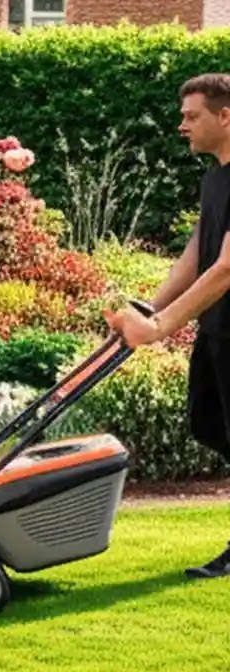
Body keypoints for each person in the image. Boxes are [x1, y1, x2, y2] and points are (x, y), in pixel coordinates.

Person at [106, 72, 230, 579]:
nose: (182, 125)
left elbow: (226, 266)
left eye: (192, 116)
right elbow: (200, 249)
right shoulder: (215, 176)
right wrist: (148, 308)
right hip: (218, 328)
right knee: (206, 422)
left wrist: (160, 329)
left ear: (226, 116)